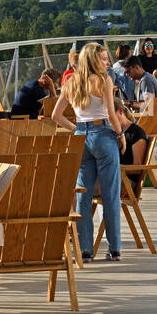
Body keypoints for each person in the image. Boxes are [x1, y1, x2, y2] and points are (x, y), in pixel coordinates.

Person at [52, 41, 126, 263]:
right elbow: (112, 115)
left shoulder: (71, 82)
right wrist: (120, 134)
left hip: (81, 138)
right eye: (104, 59)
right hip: (103, 133)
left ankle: (85, 250)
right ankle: (114, 249)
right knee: (110, 194)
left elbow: (56, 116)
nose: (108, 62)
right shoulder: (103, 80)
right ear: (95, 60)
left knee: (83, 195)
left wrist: (78, 129)